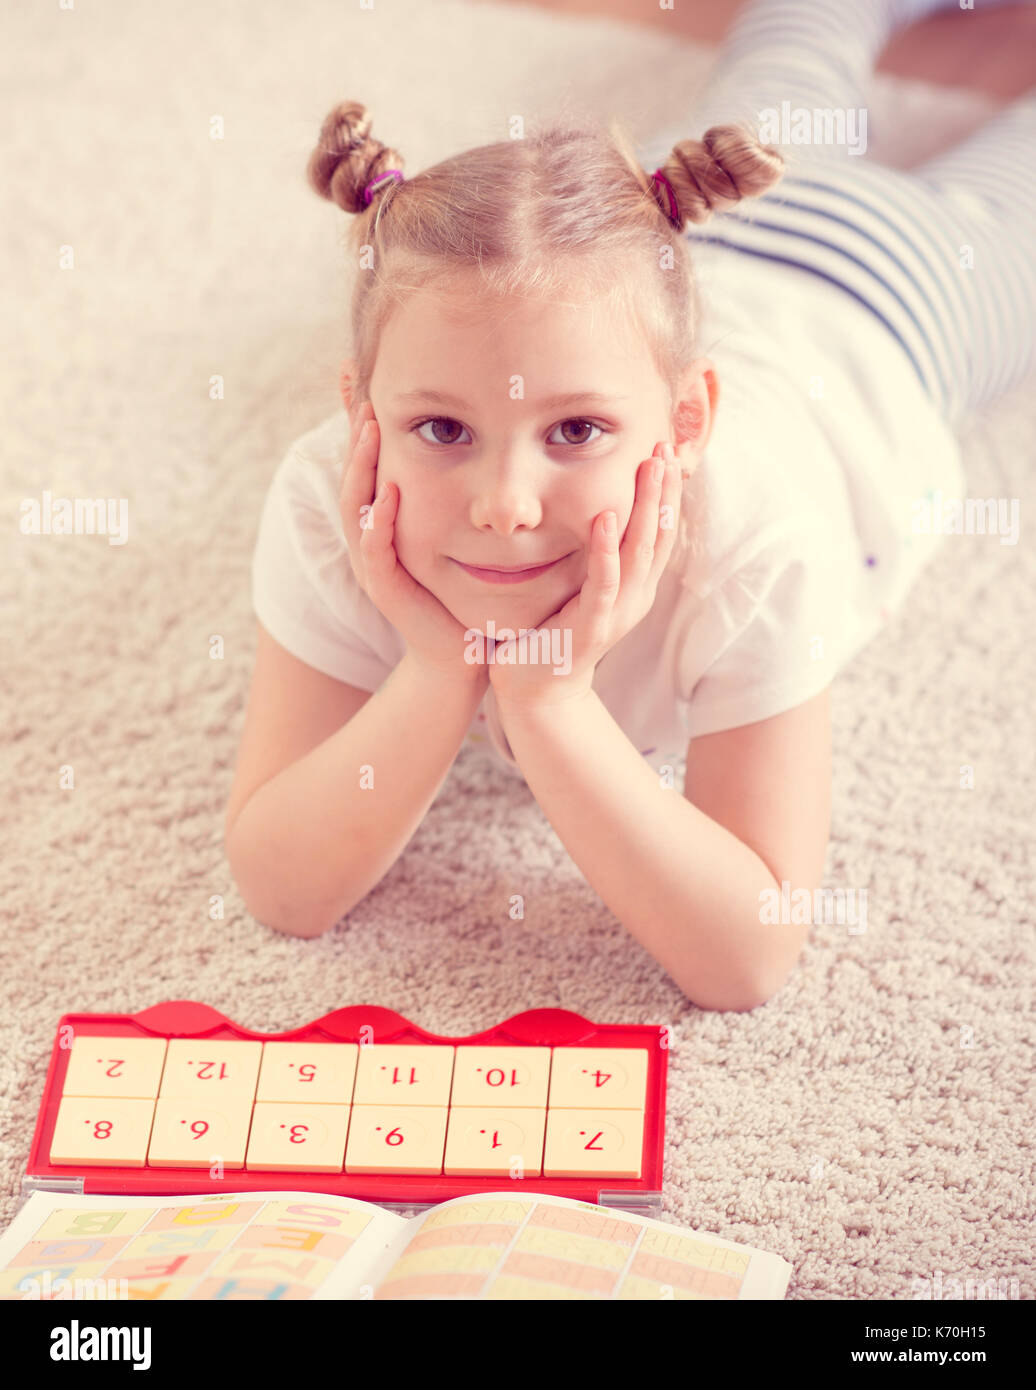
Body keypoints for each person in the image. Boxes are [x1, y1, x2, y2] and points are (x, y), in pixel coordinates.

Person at [225, 0, 1034, 1010]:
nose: (507, 507)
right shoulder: (325, 502)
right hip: (658, 218)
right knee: (789, 57)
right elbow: (280, 884)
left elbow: (748, 957)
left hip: (885, 296)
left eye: (573, 433)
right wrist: (441, 669)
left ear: (686, 424)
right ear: (360, 415)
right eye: (440, 430)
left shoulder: (750, 540)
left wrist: (552, 698)